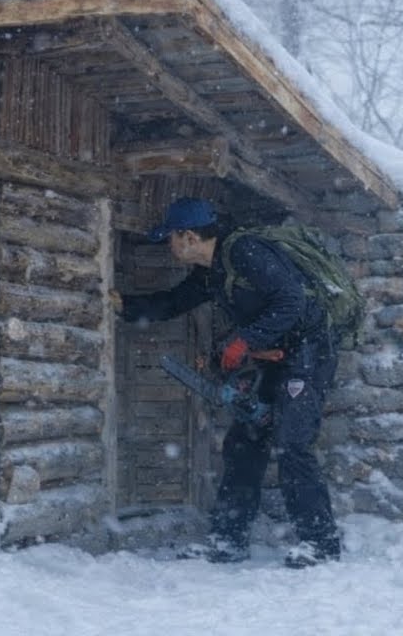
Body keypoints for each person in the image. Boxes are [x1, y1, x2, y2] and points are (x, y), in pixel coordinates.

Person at [114, 197, 341, 569]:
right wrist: (123, 305)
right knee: (244, 443)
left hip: (309, 356)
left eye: (170, 238)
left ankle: (321, 544)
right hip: (277, 360)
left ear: (188, 237)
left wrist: (242, 341)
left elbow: (292, 302)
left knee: (292, 443)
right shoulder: (213, 272)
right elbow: (175, 301)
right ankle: (228, 539)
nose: (168, 246)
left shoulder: (245, 251)